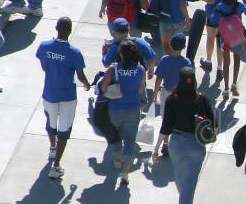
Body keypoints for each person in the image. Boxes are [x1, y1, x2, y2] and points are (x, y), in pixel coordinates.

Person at [151, 68, 215, 204]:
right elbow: (214, 125)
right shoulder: (202, 100)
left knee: (180, 179)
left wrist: (156, 148)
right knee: (189, 183)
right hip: (196, 144)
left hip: (176, 144)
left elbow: (166, 127)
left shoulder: (171, 100)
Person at [36, 17, 91, 180]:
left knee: (51, 123)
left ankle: (52, 147)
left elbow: (44, 66)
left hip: (50, 93)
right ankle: (56, 166)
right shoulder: (75, 53)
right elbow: (80, 75)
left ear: (56, 27)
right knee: (64, 130)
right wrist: (87, 83)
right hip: (68, 96)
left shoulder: (44, 46)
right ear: (70, 30)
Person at [100, 40, 145, 186]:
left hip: (115, 109)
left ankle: (117, 159)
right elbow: (141, 89)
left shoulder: (113, 69)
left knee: (115, 137)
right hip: (133, 109)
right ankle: (125, 173)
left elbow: (103, 88)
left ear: (121, 54)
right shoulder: (140, 69)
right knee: (130, 140)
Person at [205, 0, 246, 98]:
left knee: (226, 61)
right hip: (237, 36)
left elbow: (213, 20)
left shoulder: (220, 6)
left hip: (224, 37)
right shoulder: (239, 5)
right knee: (237, 58)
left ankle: (225, 89)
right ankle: (234, 84)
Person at [153, 33, 193, 115]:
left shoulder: (164, 60)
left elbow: (159, 78)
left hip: (166, 93)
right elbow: (189, 81)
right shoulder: (187, 62)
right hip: (181, 94)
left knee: (165, 115)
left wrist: (155, 94)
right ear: (184, 47)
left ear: (170, 45)